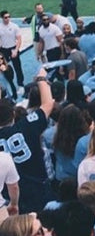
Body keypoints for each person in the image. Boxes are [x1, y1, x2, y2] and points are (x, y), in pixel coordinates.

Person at [0, 73, 53, 214]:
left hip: (10, 197)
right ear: (13, 114)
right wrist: (41, 78)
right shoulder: (25, 126)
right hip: (38, 188)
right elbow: (48, 104)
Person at [0, 12, 24, 98]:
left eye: (9, 17)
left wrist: (16, 50)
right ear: (2, 18)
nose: (8, 19)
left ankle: (20, 84)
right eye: (5, 17)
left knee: (18, 67)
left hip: (13, 48)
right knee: (4, 68)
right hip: (3, 50)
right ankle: (8, 84)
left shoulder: (14, 26)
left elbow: (19, 39)